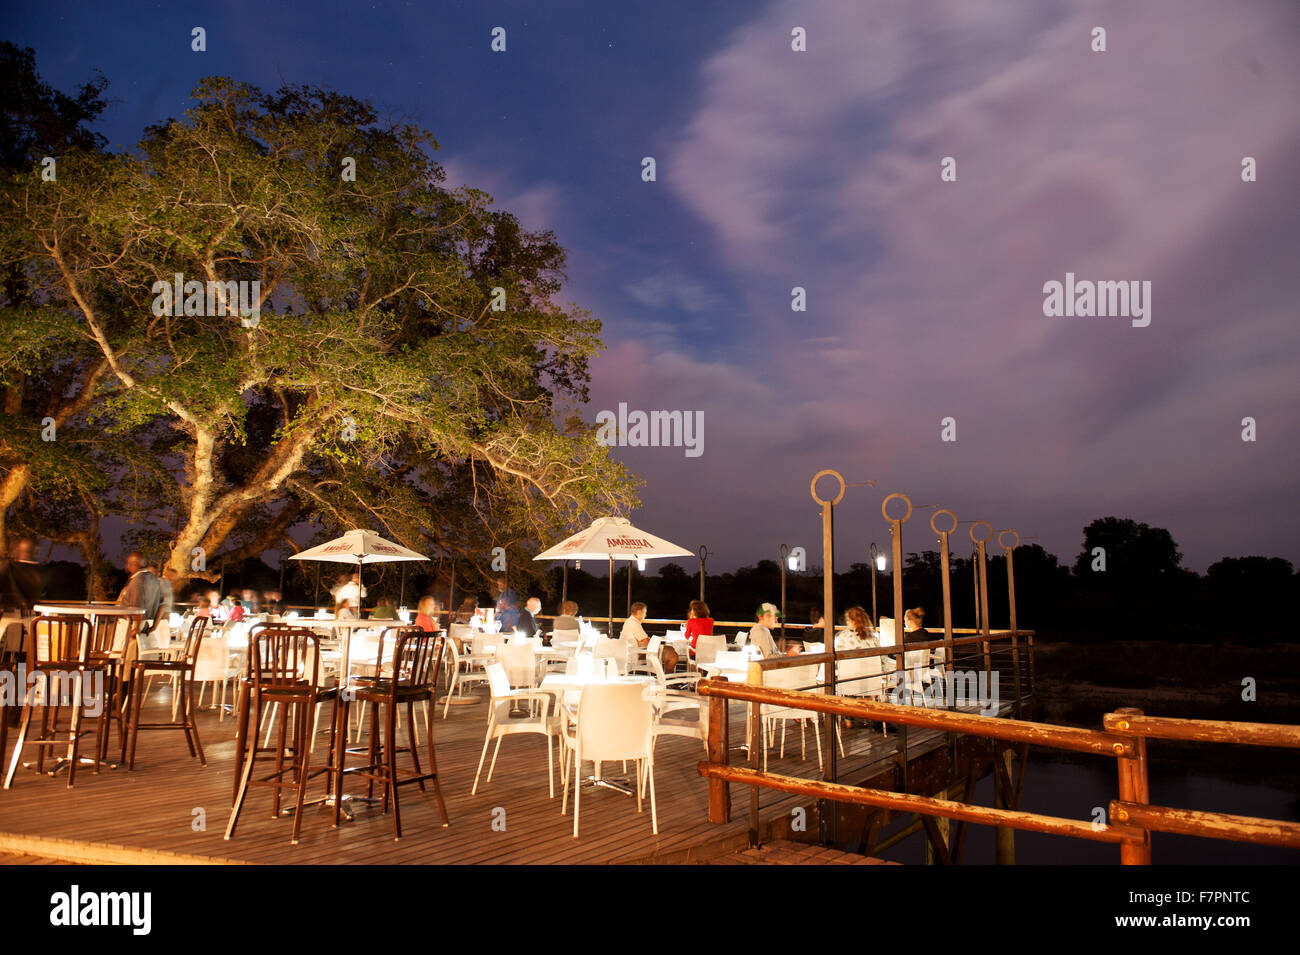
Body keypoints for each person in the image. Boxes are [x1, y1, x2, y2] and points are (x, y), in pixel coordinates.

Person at [118, 552, 163, 632]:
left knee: (124, 645)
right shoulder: (155, 579)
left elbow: (138, 606)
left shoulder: (137, 580)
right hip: (146, 624)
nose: (127, 566)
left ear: (135, 564)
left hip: (131, 625)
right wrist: (154, 626)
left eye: (129, 563)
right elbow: (162, 605)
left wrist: (137, 628)